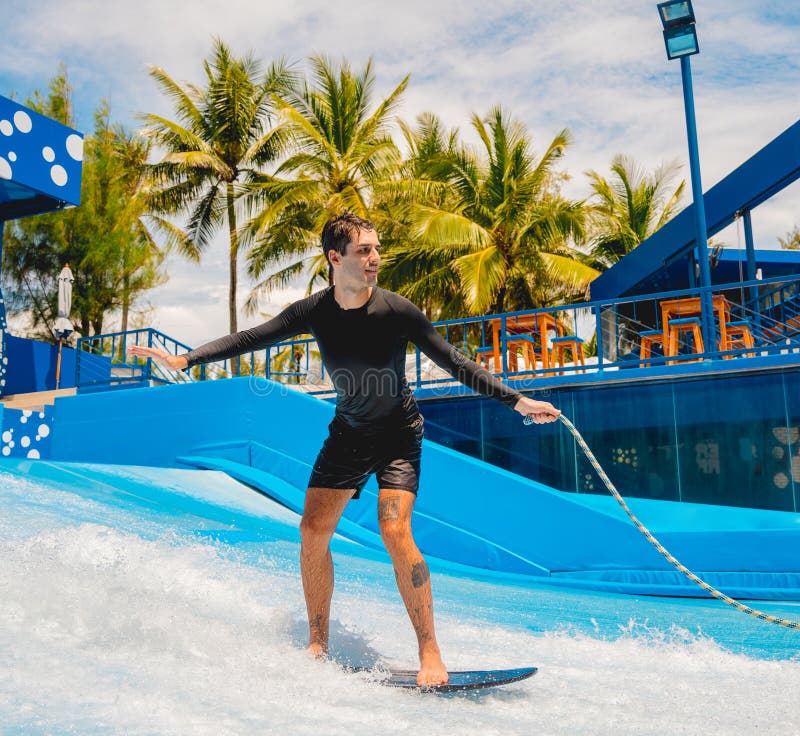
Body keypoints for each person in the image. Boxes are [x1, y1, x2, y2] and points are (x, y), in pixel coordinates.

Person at [129, 213, 560, 686]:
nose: (375, 258)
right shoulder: (313, 311)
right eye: (363, 251)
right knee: (312, 531)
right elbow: (252, 338)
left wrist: (518, 401)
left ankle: (430, 651)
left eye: (377, 249)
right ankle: (318, 641)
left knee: (394, 530)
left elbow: (453, 361)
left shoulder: (397, 311)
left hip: (398, 435)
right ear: (335, 258)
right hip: (349, 435)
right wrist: (186, 358)